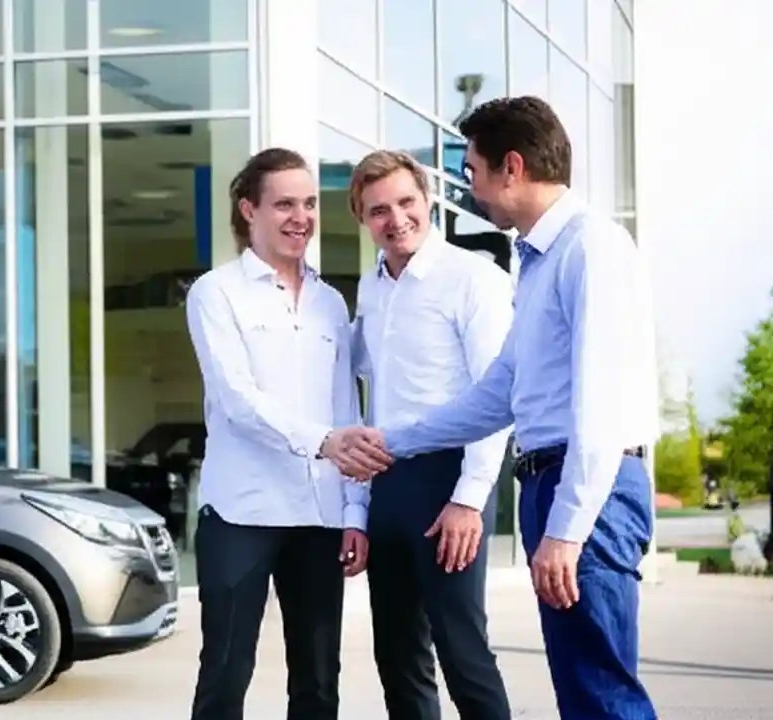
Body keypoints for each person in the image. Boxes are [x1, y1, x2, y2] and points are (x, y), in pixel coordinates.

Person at [330, 96, 660, 719]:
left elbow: (603, 404)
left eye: (474, 171)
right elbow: (500, 392)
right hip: (547, 479)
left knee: (601, 690)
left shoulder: (590, 249)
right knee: (581, 685)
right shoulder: (537, 262)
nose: (471, 187)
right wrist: (390, 444)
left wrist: (564, 531)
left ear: (511, 167)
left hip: (586, 486)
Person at [183, 147, 373, 720]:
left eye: (310, 203)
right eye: (285, 203)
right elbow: (237, 399)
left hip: (318, 519)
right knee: (225, 673)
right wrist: (322, 441)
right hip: (241, 513)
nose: (301, 216)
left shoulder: (331, 302)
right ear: (249, 210)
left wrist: (355, 512)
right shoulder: (215, 293)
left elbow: (348, 408)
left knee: (318, 681)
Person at [346, 149, 515, 719]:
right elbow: (364, 392)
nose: (395, 220)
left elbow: (497, 396)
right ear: (362, 219)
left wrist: (470, 498)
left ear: (427, 200)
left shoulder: (473, 279)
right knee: (397, 656)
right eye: (378, 211)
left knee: (463, 652)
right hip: (387, 481)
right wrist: (359, 504)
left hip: (449, 480)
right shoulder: (371, 290)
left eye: (405, 202)